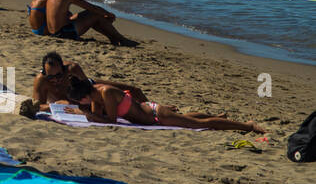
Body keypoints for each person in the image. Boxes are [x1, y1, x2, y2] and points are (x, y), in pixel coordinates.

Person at [66, 77, 263, 133]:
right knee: (190, 119)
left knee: (203, 124)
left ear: (84, 96)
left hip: (156, 115)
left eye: (80, 101)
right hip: (152, 116)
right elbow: (98, 117)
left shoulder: (105, 92)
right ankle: (222, 116)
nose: (81, 104)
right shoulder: (95, 98)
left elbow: (110, 119)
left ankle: (247, 125)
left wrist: (89, 115)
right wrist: (85, 113)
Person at [29, 51, 147, 109]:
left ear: (63, 69)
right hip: (76, 104)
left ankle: (151, 109)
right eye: (51, 77)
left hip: (88, 93)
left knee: (134, 90)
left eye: (59, 75)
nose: (55, 80)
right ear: (44, 74)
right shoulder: (41, 81)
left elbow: (90, 89)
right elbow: (37, 106)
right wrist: (58, 105)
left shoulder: (72, 69)